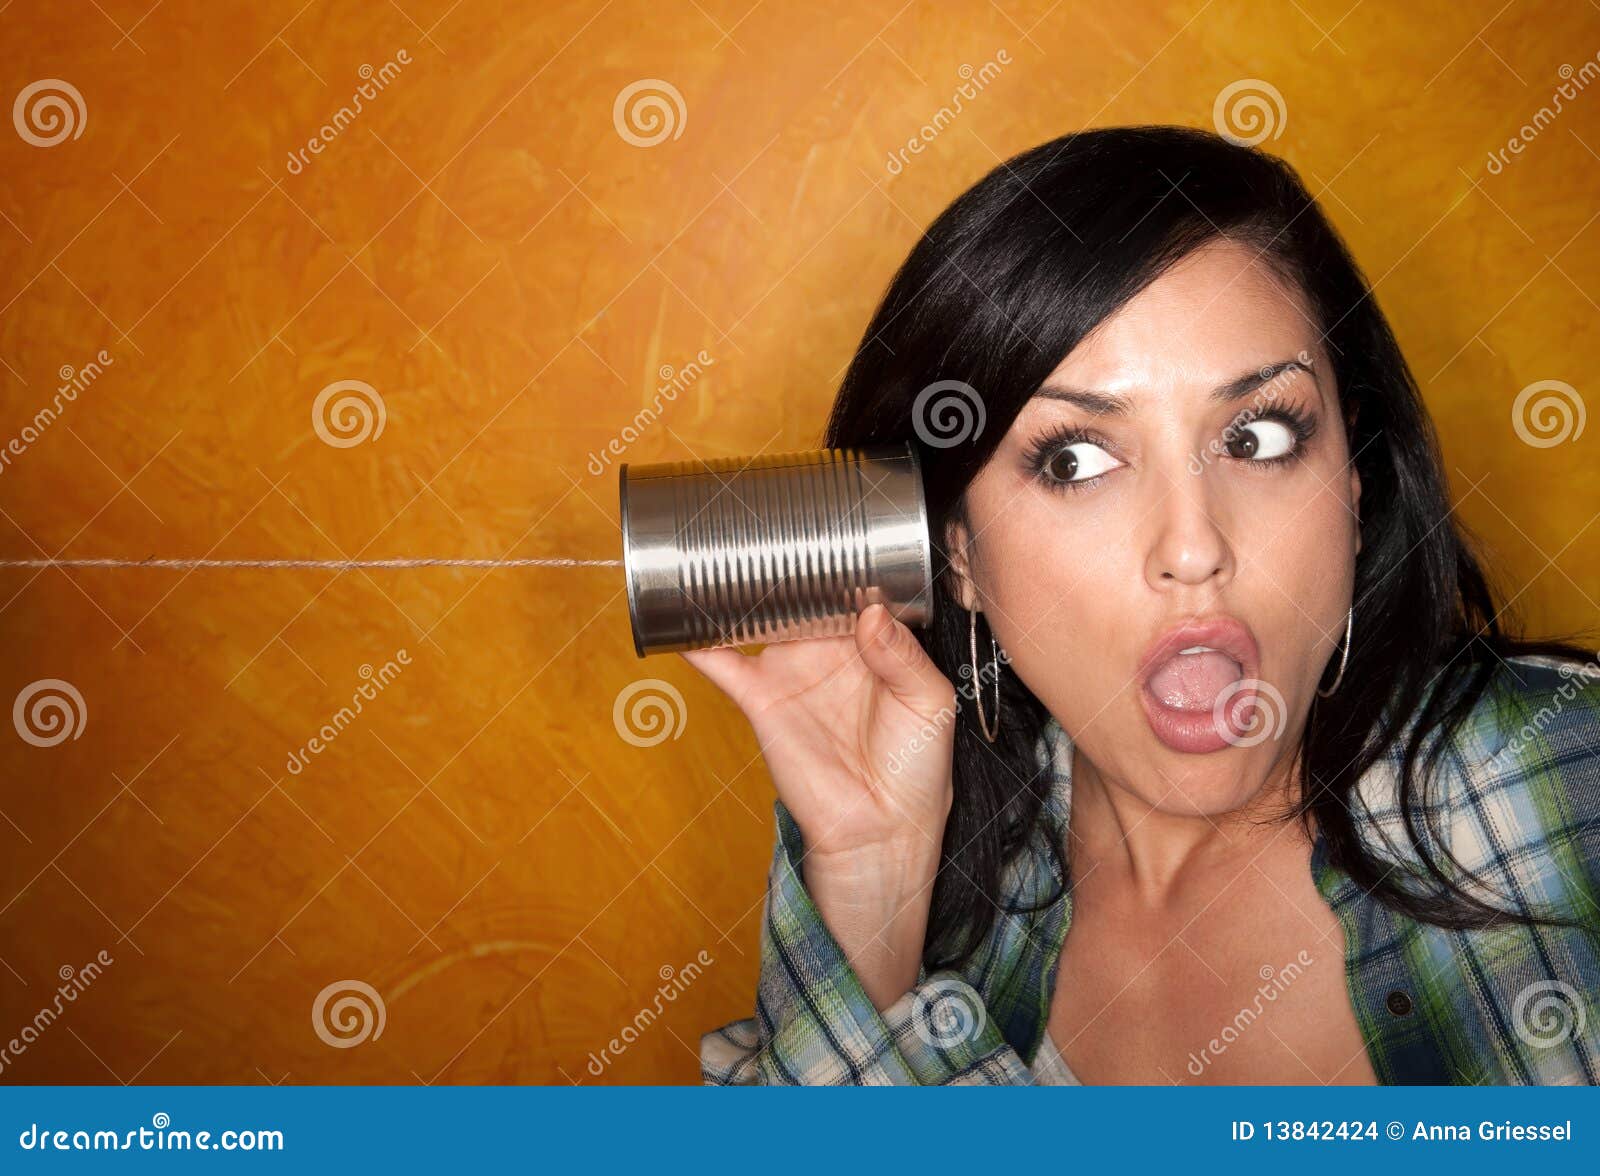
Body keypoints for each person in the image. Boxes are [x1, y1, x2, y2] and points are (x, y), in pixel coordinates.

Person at [680, 125, 1600, 1085]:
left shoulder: (1566, 773)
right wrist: (872, 881)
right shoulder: (953, 912)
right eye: (1075, 460)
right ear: (957, 549)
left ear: (1355, 482)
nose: (1194, 546)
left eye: (1257, 438)